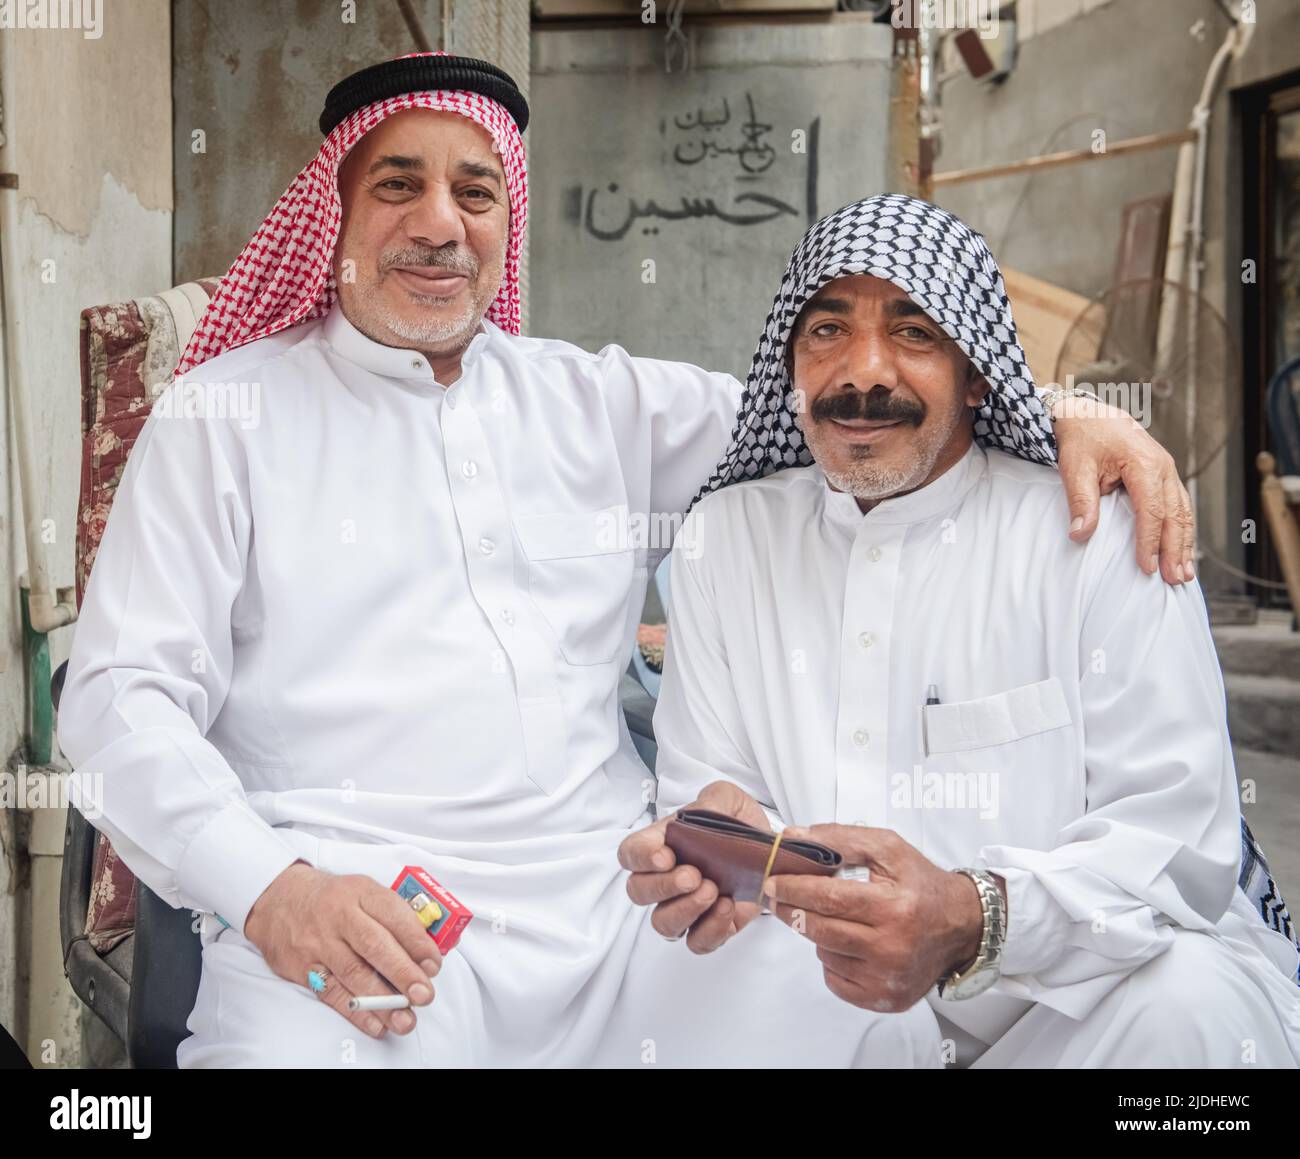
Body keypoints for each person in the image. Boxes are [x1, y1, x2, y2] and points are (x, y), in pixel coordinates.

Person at [59, 52, 1189, 1068]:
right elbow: (117, 705)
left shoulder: (595, 401)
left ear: (508, 220)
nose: (439, 224)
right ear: (336, 213)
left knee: (844, 1001)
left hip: (615, 915)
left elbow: (840, 408)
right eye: (398, 184)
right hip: (363, 920)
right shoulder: (224, 419)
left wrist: (1051, 410)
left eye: (475, 189)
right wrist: (270, 894)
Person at [621, 194, 1300, 1068]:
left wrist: (975, 918)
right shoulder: (728, 536)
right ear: (790, 363)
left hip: (1075, 1005)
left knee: (1196, 1013)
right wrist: (713, 858)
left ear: (978, 370)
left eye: (913, 333)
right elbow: (714, 791)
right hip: (826, 995)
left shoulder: (1095, 533)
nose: (863, 371)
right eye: (827, 330)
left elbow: (1175, 844)